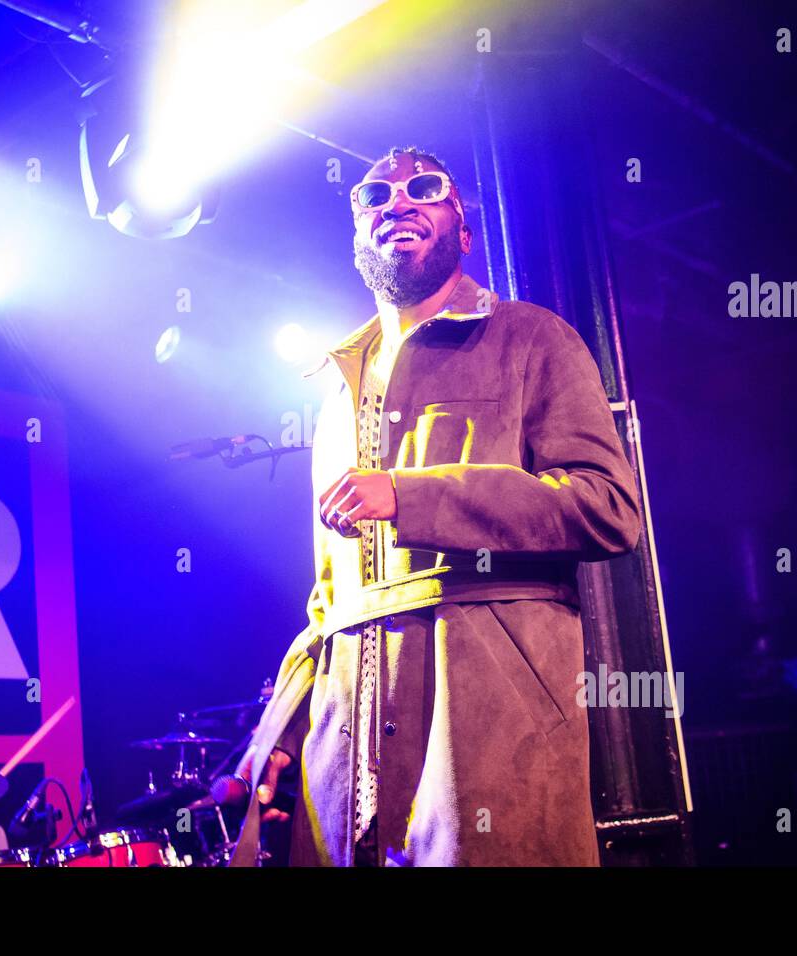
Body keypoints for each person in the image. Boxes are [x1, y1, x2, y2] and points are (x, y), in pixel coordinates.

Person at [231, 146, 642, 866]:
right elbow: (328, 602)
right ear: (358, 237)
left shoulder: (531, 338)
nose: (397, 202)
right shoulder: (336, 391)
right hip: (345, 756)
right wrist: (278, 737)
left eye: (424, 187)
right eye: (373, 196)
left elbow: (607, 507)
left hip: (486, 737)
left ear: (464, 226)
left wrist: (413, 496)